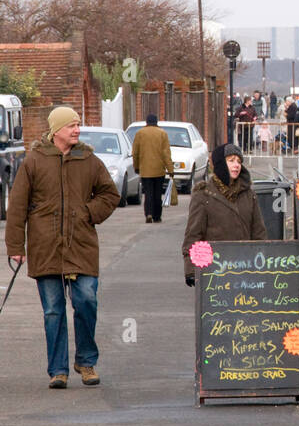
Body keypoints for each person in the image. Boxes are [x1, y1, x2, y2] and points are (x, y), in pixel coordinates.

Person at [4, 106, 120, 388]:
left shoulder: (89, 160)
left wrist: (88, 213)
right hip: (46, 247)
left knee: (86, 301)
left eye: (78, 125)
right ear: (56, 130)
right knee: (53, 311)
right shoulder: (34, 161)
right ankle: (58, 370)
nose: (77, 130)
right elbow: (17, 206)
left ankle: (86, 361)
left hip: (81, 245)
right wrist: (15, 246)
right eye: (71, 126)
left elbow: (109, 194)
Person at [182, 143, 268, 284]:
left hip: (246, 268)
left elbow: (259, 232)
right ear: (221, 164)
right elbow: (194, 235)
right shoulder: (203, 195)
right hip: (214, 270)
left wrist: (263, 262)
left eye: (239, 161)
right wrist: (191, 269)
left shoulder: (249, 194)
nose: (236, 165)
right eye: (231, 160)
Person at [132, 113, 174, 224]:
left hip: (145, 169)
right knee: (157, 193)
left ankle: (148, 213)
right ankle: (157, 216)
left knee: (148, 193)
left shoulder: (140, 133)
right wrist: (170, 169)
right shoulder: (162, 133)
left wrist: (136, 166)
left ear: (147, 122)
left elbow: (135, 152)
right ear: (156, 122)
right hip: (159, 169)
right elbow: (166, 153)